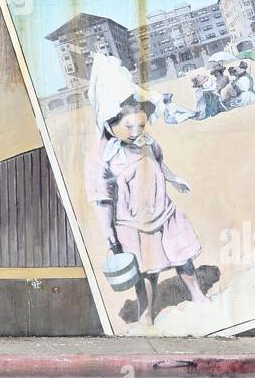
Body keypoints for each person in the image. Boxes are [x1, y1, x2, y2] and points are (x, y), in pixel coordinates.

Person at [86, 63, 208, 326]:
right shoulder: (101, 155)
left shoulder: (147, 141)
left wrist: (174, 178)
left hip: (165, 212)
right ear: (109, 123)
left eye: (140, 126)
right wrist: (108, 231)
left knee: (182, 258)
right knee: (146, 273)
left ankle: (197, 295)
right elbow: (102, 197)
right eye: (128, 129)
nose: (136, 134)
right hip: (132, 224)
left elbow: (158, 162)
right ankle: (146, 314)